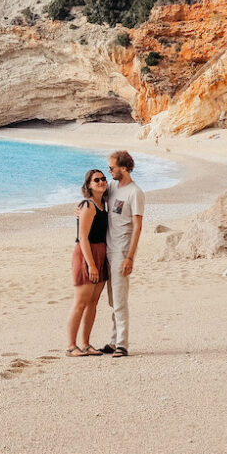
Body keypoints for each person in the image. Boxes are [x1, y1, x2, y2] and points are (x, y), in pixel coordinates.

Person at [100, 150, 144, 358]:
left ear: (124, 168)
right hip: (107, 248)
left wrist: (130, 257)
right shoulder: (112, 186)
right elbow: (94, 200)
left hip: (122, 250)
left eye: (112, 167)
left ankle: (122, 344)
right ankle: (113, 340)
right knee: (112, 300)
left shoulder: (135, 193)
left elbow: (137, 227)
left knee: (120, 299)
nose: (109, 171)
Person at [65, 169, 110, 357]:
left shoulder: (103, 204)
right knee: (81, 302)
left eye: (103, 179)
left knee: (93, 302)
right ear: (89, 185)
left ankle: (85, 343)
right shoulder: (88, 205)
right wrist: (91, 265)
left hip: (101, 252)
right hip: (86, 254)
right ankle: (70, 346)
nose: (101, 182)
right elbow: (82, 237)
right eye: (96, 180)